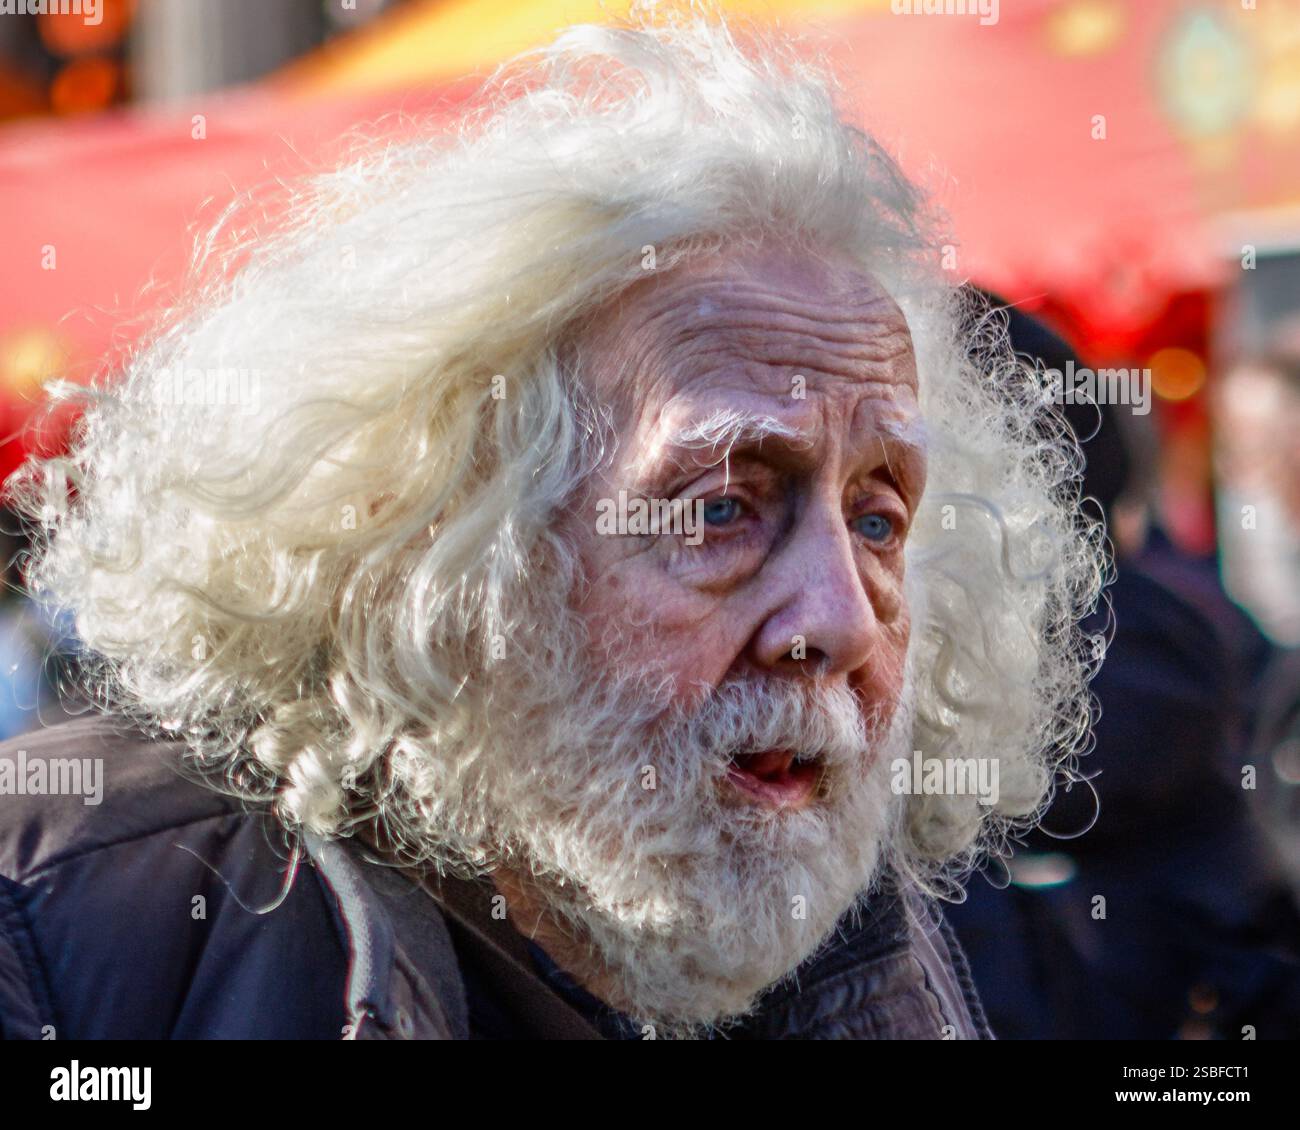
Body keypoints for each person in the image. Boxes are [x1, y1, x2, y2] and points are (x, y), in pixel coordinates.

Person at [0, 13, 1101, 1040]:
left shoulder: (882, 965)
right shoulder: (61, 923)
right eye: (720, 507)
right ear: (434, 549)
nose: (840, 621)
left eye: (876, 519)